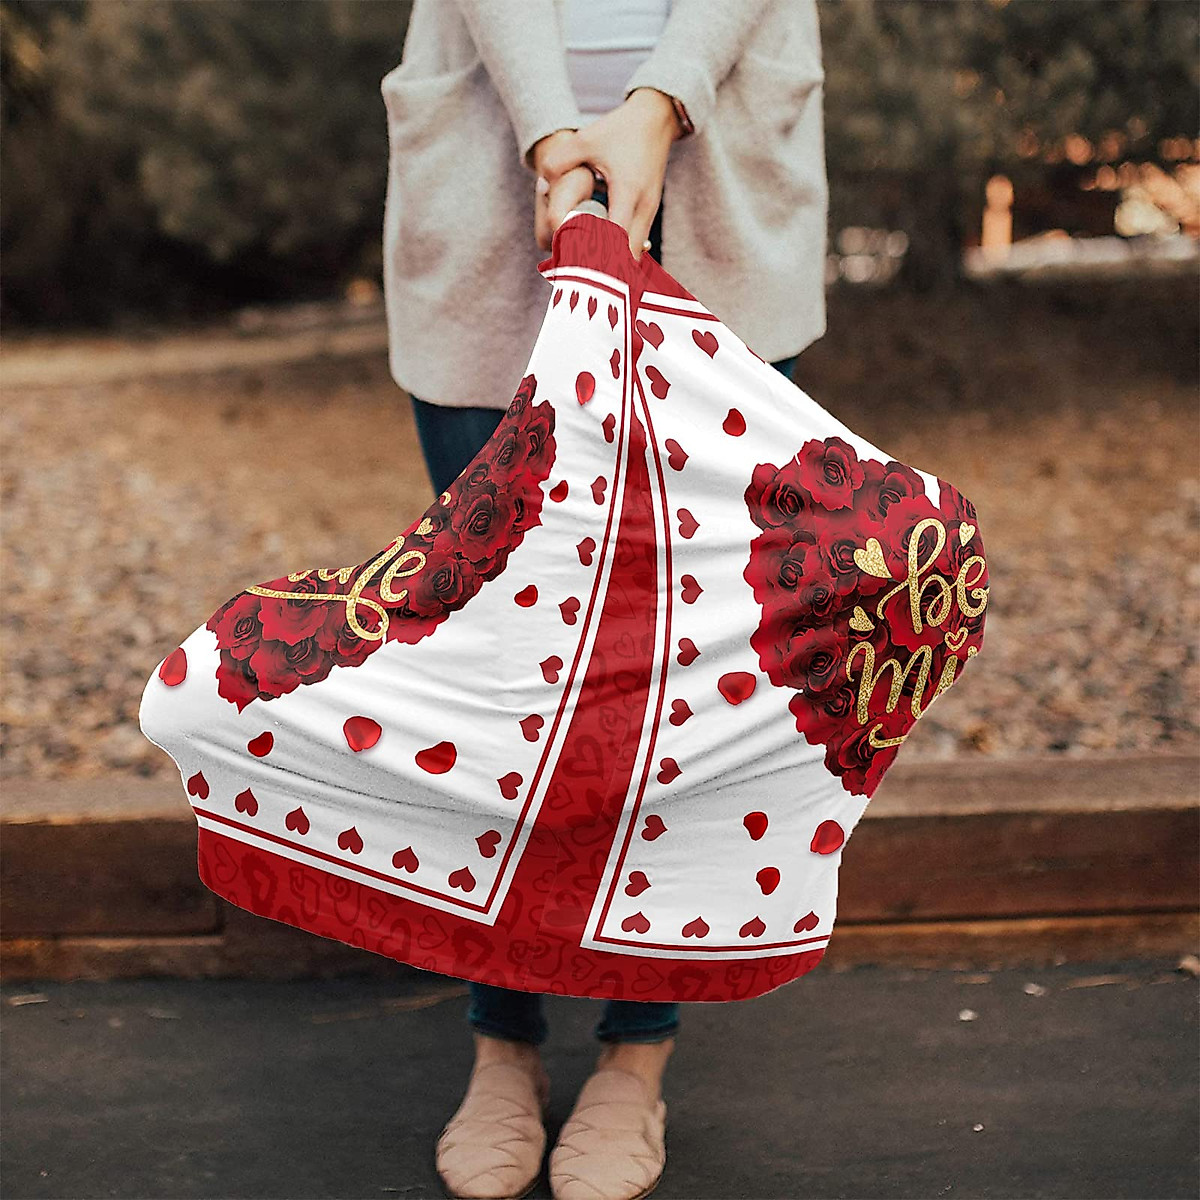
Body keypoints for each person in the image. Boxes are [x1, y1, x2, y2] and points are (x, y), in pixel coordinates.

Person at [380, 3, 827, 1197]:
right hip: (491, 165)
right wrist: (549, 132)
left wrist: (657, 102)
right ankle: (503, 1039)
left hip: (719, 166)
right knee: (498, 652)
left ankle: (637, 1052)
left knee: (684, 660)